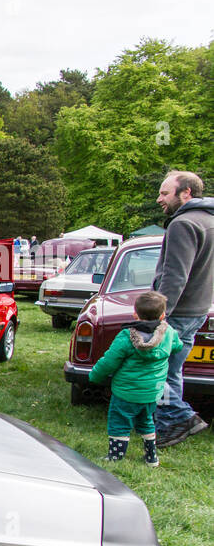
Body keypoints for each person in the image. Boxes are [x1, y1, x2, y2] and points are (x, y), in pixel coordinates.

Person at [151, 170, 214, 447]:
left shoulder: (183, 224)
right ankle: (168, 426)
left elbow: (175, 275)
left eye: (165, 193)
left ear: (185, 193)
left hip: (177, 312)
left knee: (156, 369)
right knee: (172, 370)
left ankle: (181, 417)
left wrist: (158, 314)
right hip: (198, 309)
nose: (159, 199)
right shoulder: (209, 221)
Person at [89, 291, 185, 466]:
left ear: (135, 314)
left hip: (126, 392)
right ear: (163, 315)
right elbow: (178, 347)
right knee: (147, 420)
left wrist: (95, 375)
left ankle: (116, 456)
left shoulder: (127, 337)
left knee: (120, 421)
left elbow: (110, 361)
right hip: (151, 392)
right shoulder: (169, 333)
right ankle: (151, 457)